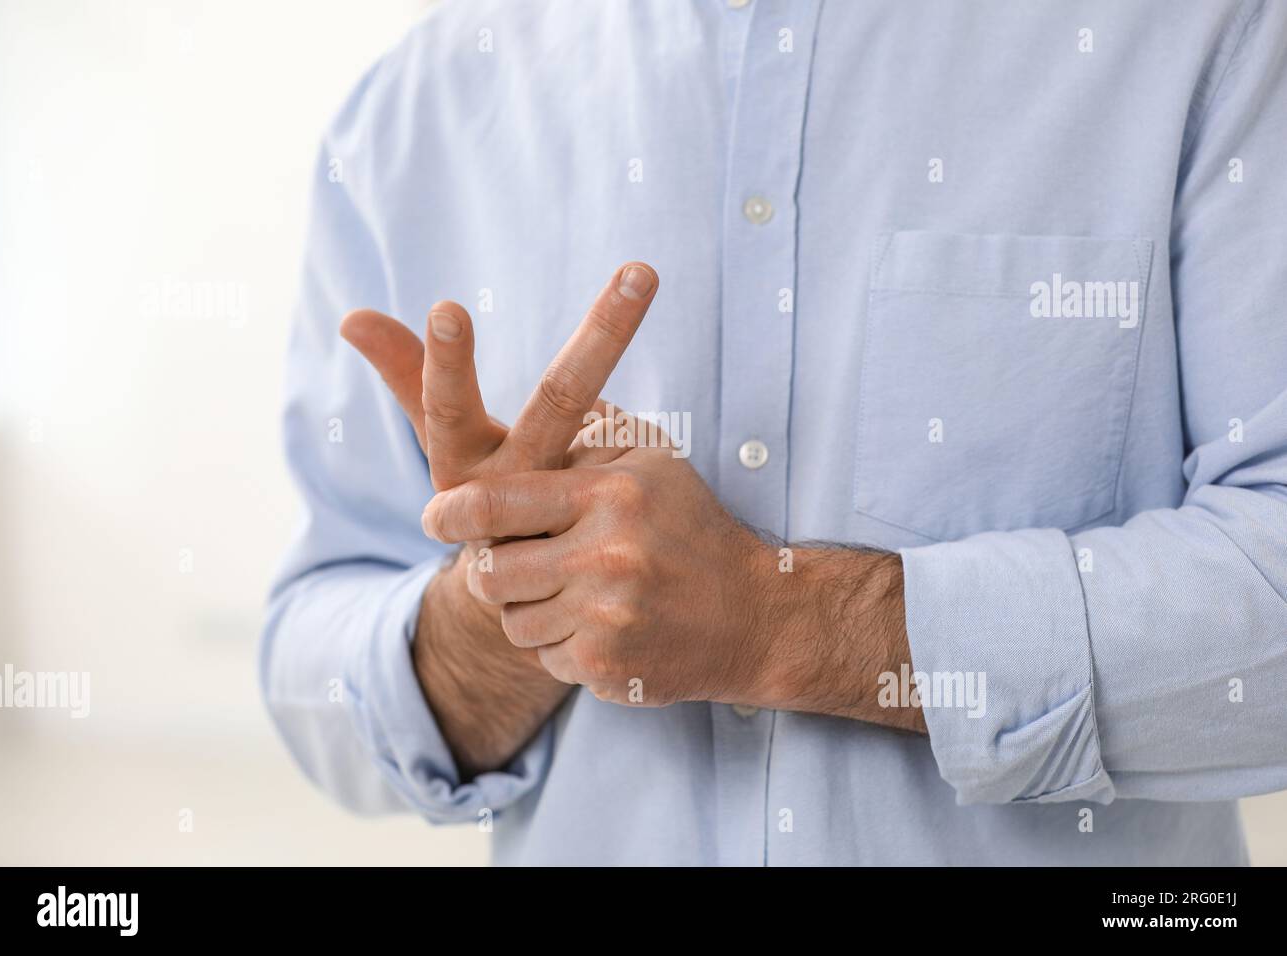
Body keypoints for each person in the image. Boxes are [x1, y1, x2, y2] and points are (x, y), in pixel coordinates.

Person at [261, 0, 1287, 865]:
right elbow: (315, 652)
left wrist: (779, 621)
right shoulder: (415, 109)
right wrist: (508, 607)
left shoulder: (1205, 35)